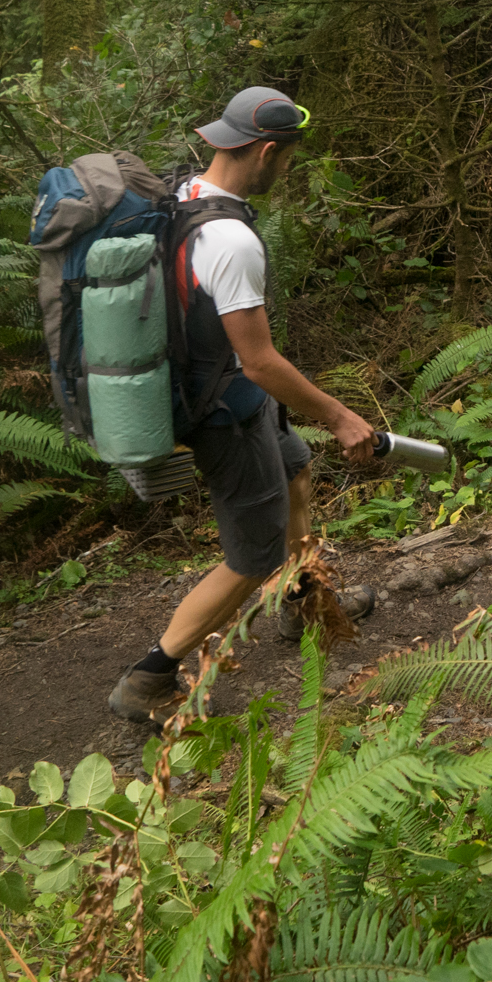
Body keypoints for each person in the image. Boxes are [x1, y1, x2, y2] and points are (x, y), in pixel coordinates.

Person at [106, 86, 381, 723]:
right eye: (286, 159)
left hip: (236, 395)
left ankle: (303, 601)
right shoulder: (232, 240)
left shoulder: (186, 196)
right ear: (263, 151)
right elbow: (259, 358)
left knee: (294, 470)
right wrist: (340, 415)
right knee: (249, 557)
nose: (285, 171)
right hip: (224, 411)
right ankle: (150, 676)